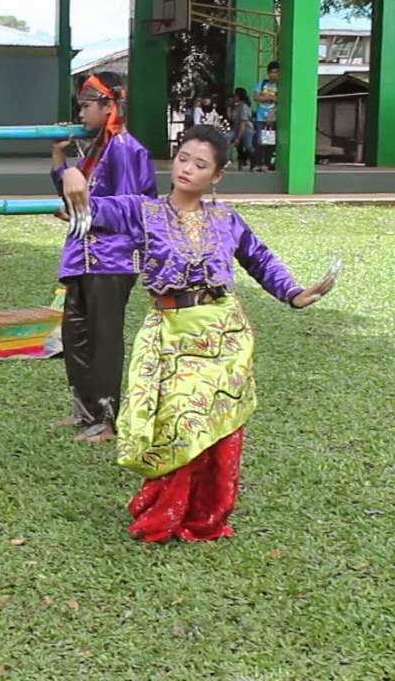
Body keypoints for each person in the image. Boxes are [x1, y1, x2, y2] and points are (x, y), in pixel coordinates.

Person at [63, 124, 337, 543]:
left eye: (200, 164)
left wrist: (294, 294)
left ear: (217, 175)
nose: (187, 168)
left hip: (224, 332)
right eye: (183, 158)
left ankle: (207, 515)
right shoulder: (143, 211)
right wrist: (70, 173)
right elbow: (89, 209)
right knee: (180, 420)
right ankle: (164, 513)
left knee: (220, 426)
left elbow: (260, 259)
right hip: (172, 333)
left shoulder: (226, 219)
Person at [51, 71, 158, 443]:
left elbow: (132, 207)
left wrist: (85, 211)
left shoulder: (125, 149)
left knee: (104, 339)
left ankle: (107, 418)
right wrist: (59, 156)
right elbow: (74, 196)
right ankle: (85, 411)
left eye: (86, 106)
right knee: (75, 335)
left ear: (108, 105)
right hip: (83, 255)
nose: (80, 113)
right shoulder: (98, 149)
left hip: (112, 260)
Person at [253, 61, 279, 172]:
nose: (273, 74)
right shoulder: (262, 83)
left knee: (270, 141)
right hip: (261, 117)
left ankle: (266, 164)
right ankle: (257, 164)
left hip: (273, 117)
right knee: (260, 141)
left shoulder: (281, 85)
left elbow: (280, 100)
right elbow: (255, 97)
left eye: (276, 72)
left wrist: (272, 114)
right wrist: (271, 98)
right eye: (271, 72)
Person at [228, 88, 255, 170]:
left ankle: (254, 161)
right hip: (236, 129)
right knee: (228, 139)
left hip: (246, 129)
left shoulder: (244, 107)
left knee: (248, 147)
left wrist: (238, 138)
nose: (234, 97)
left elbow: (243, 123)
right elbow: (231, 118)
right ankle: (240, 161)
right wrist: (229, 107)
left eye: (235, 95)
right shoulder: (236, 107)